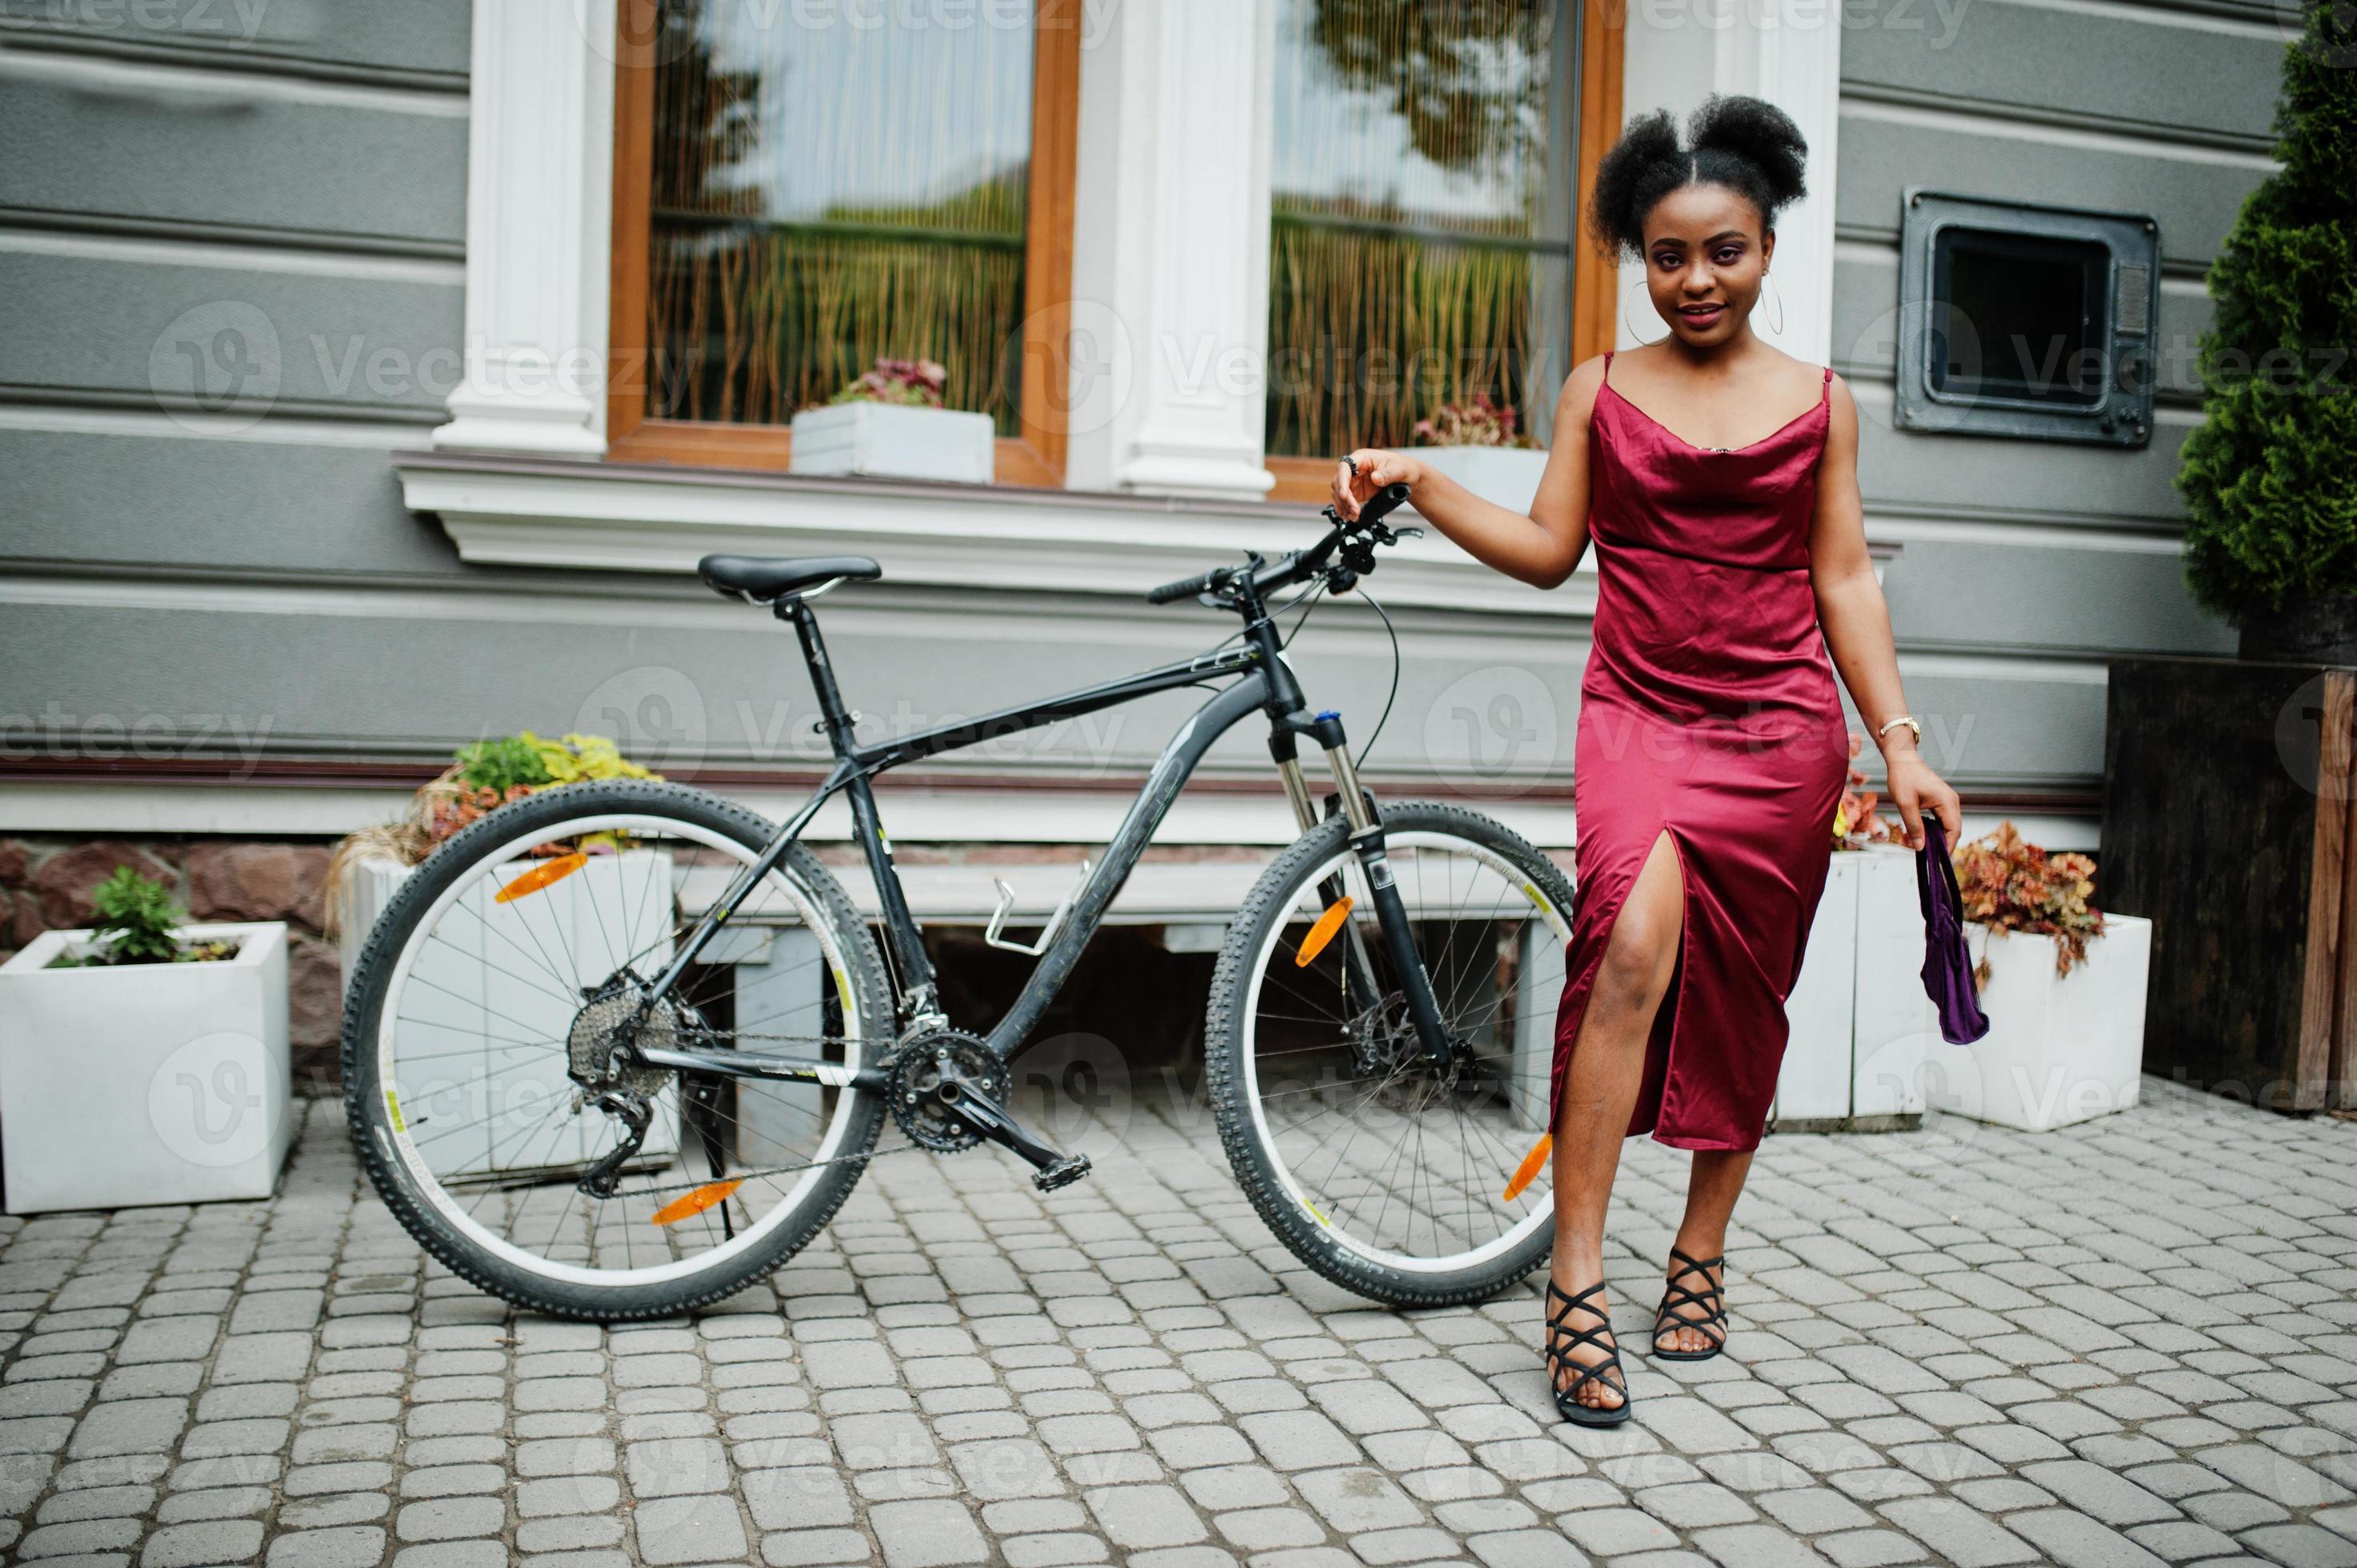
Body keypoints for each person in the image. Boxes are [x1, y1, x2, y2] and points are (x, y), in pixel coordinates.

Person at [1329, 93, 1963, 1426]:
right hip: (1638, 715)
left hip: (1782, 733)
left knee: (1743, 997)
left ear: (1766, 246)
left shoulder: (1820, 405)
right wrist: (1424, 482)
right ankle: (1574, 1280)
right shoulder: (1598, 391)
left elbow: (1841, 575)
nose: (1693, 280)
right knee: (1623, 950)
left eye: (1721, 251)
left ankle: (1699, 1254)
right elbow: (1553, 550)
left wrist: (1897, 743)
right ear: (1638, 257)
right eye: (1666, 256)